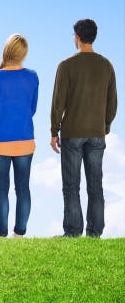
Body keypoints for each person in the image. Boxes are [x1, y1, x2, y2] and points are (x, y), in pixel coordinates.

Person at [50, 19, 117, 238]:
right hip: (97, 133)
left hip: (72, 133)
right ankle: (95, 232)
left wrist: (53, 131)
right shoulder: (106, 65)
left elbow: (58, 102)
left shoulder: (66, 65)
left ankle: (72, 232)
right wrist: (104, 125)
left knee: (71, 185)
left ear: (77, 37)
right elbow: (112, 102)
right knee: (95, 185)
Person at [0, 34, 38, 237]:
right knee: (23, 188)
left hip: (0, 142)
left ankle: (2, 233)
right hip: (25, 140)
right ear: (23, 54)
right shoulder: (32, 76)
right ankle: (20, 232)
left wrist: (0, 123)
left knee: (1, 189)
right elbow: (32, 108)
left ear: (6, 51)